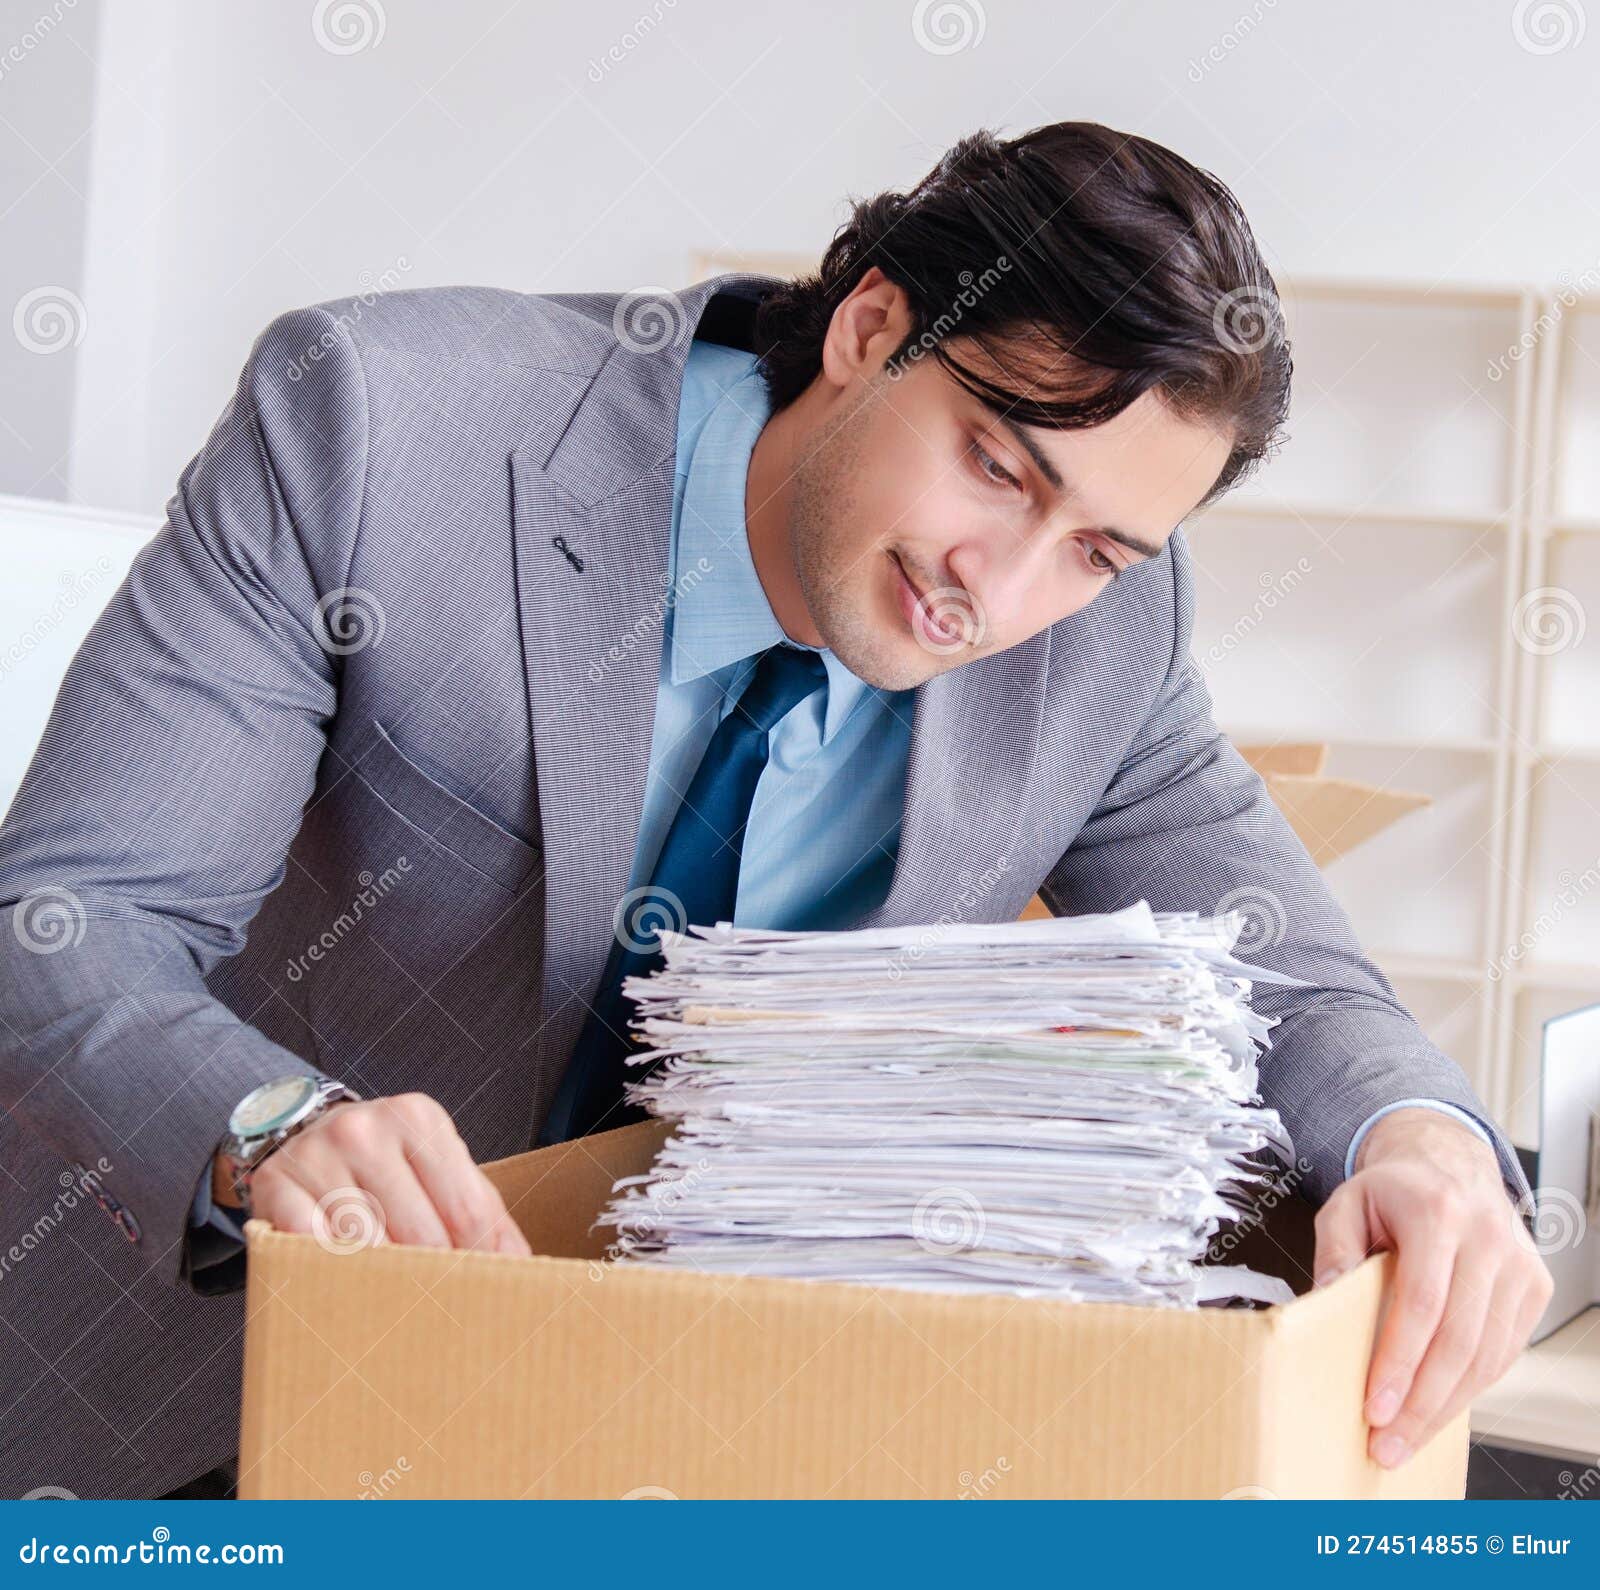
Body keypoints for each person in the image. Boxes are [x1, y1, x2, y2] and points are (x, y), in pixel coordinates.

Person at [0, 121, 1550, 1501]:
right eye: (998, 467)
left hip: (697, 1449)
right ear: (870, 327)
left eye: (1095, 548)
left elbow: (1293, 975)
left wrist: (1425, 1142)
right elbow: (71, 917)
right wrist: (270, 1128)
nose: (1002, 590)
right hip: (206, 1411)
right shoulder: (380, 424)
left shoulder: (1105, 633)